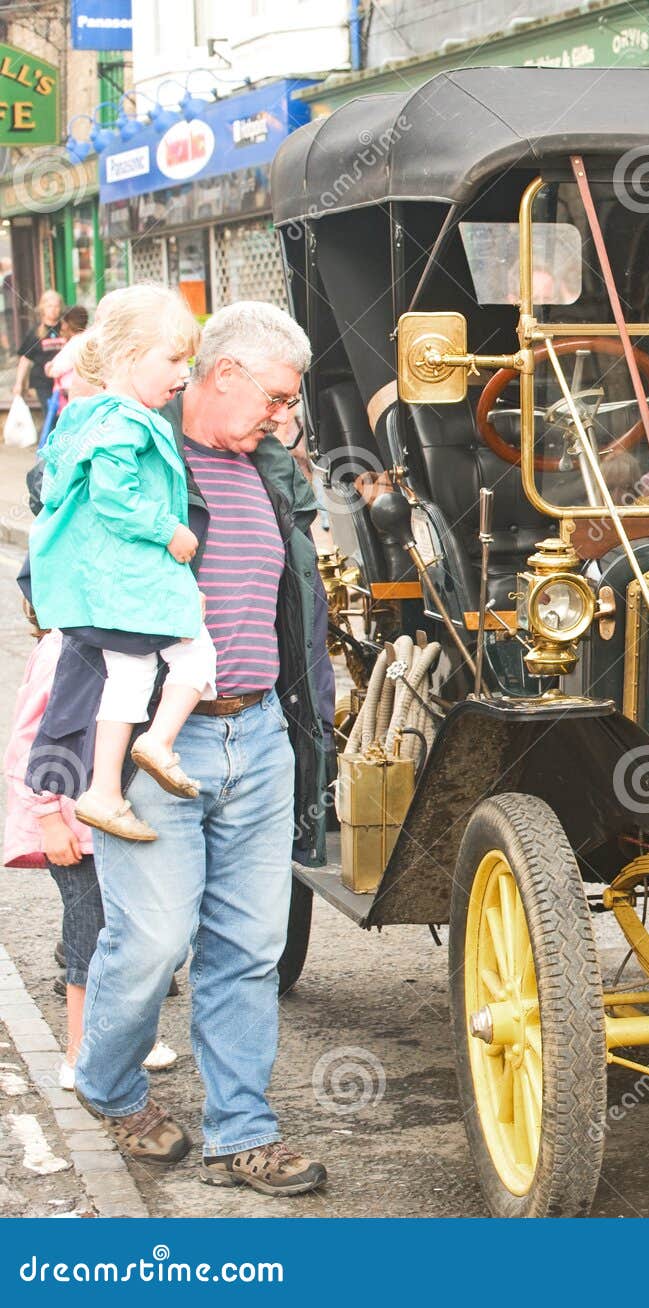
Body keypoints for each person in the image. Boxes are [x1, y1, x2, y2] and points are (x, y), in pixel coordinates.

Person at [70, 301, 330, 1198]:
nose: (282, 416)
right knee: (151, 941)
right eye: (275, 397)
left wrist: (313, 728)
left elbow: (302, 614)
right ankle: (107, 1085)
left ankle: (241, 1133)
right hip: (156, 741)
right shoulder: (137, 454)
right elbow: (54, 568)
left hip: (258, 735)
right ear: (223, 376)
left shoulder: (267, 470)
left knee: (248, 947)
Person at [28, 286, 217, 842]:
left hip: (105, 586)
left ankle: (104, 791)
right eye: (174, 359)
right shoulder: (128, 423)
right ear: (131, 357)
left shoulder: (84, 416)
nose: (183, 373)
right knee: (196, 652)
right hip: (133, 578)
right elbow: (116, 499)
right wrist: (172, 532)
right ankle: (157, 742)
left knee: (128, 676)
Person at [3, 624, 178, 1088]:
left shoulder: (143, 640)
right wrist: (47, 818)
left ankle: (129, 1039)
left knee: (136, 935)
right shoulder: (60, 647)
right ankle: (78, 1052)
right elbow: (28, 739)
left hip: (127, 820)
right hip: (75, 825)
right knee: (88, 938)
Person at [38, 304, 88, 447]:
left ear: (67, 324)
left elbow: (55, 369)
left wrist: (49, 367)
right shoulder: (88, 339)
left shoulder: (74, 343)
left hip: (70, 396)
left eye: (63, 323)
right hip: (84, 394)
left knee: (65, 433)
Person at [14, 290, 65, 413]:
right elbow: (25, 359)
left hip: (63, 381)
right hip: (42, 382)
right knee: (50, 413)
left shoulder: (66, 329)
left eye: (56, 306)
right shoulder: (35, 332)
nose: (53, 309)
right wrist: (19, 383)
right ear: (42, 308)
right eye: (49, 306)